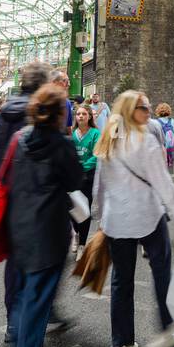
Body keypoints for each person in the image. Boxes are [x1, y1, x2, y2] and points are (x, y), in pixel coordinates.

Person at [94, 91, 174, 347]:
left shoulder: (109, 140)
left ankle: (122, 346)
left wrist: (101, 218)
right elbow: (163, 183)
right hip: (149, 217)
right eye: (144, 107)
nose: (149, 111)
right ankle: (169, 326)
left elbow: (99, 186)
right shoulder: (145, 142)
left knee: (121, 281)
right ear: (131, 110)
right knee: (162, 271)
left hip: (117, 221)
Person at [5, 84, 84, 347]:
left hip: (20, 226)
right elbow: (75, 180)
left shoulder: (20, 140)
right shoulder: (61, 145)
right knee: (38, 303)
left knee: (26, 298)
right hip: (48, 231)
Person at [0, 62, 50, 343]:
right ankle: (34, 319)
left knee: (15, 262)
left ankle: (13, 322)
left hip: (10, 198)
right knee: (43, 260)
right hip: (37, 199)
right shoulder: (41, 111)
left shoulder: (5, 112)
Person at [68, 104, 100, 258]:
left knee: (85, 211)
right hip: (73, 176)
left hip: (88, 176)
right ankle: (76, 234)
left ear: (89, 117)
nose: (80, 116)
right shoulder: (72, 134)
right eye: (78, 114)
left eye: (84, 114)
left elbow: (96, 154)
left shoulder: (95, 133)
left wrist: (82, 166)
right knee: (73, 209)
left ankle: (82, 244)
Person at [155, 102, 174, 171]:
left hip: (161, 145)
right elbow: (173, 130)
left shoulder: (156, 122)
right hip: (171, 146)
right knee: (168, 164)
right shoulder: (172, 121)